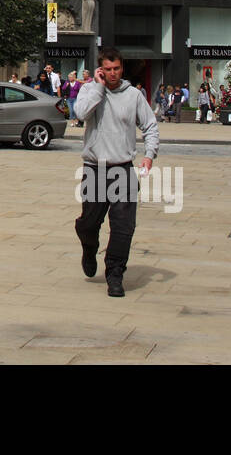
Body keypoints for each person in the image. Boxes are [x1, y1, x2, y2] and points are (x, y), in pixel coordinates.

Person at [73, 47, 160, 298]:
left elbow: (150, 126)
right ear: (101, 69)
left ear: (122, 68)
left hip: (123, 169)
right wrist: (98, 88)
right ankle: (89, 248)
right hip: (95, 168)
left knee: (123, 228)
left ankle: (114, 274)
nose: (112, 73)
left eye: (117, 69)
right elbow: (80, 114)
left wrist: (149, 155)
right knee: (89, 224)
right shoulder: (90, 90)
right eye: (108, 69)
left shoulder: (133, 95)